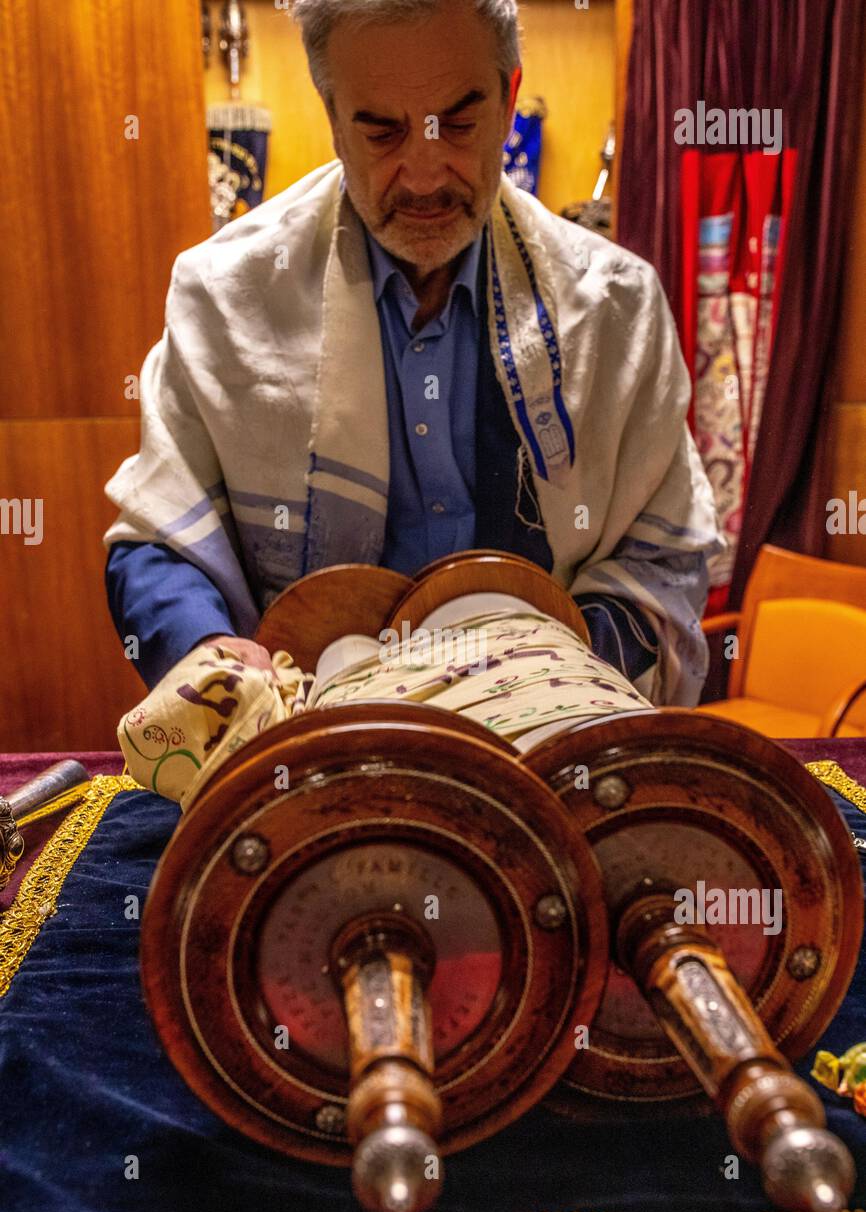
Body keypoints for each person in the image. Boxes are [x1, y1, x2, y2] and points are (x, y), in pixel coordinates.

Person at [104, 0, 722, 702]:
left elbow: (663, 557)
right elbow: (157, 542)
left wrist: (559, 672)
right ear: (333, 116)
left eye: (459, 124)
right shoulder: (225, 295)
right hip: (304, 748)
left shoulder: (616, 309)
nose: (426, 175)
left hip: (549, 751)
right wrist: (212, 657)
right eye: (381, 131)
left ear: (510, 94)